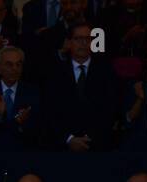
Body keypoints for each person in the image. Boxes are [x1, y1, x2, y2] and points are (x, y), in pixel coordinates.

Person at [45, 19, 120, 151]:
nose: (84, 43)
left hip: (98, 146)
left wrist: (90, 138)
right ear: (68, 42)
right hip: (63, 147)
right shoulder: (54, 72)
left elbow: (111, 108)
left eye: (88, 38)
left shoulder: (107, 71)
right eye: (78, 38)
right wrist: (68, 139)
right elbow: (50, 110)